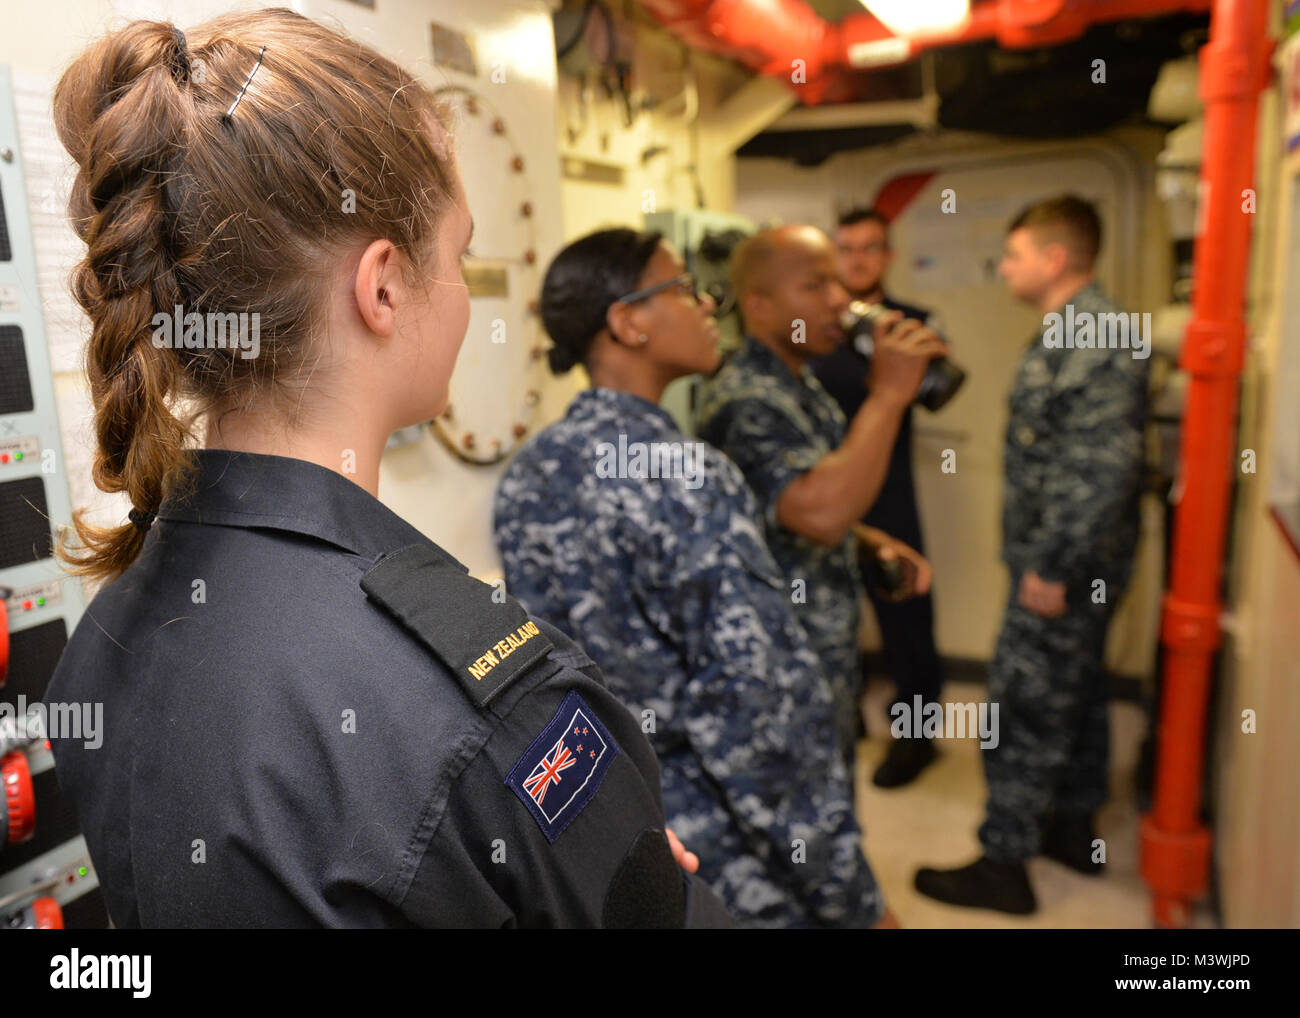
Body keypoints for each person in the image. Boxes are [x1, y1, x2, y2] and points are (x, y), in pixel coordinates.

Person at [40, 10, 730, 929]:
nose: (468, 289)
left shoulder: (104, 638)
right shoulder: (498, 714)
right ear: (383, 286)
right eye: (462, 254)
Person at [493, 227, 897, 928]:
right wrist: (852, 896)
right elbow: (760, 711)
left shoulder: (530, 474)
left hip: (617, 826)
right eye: (682, 289)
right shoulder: (690, 476)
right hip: (727, 847)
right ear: (627, 322)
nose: (709, 304)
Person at [914, 195, 1148, 915]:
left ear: (1053, 258)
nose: (1005, 268)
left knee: (1021, 707)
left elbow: (1101, 469)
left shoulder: (1094, 334)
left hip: (1064, 567)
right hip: (1075, 563)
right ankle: (1072, 829)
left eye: (1013, 255)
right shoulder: (1081, 329)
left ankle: (1004, 863)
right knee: (1073, 699)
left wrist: (1053, 565)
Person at [695, 225, 947, 775]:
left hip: (820, 652)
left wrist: (870, 544)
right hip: (775, 667)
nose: (839, 300)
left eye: (838, 283)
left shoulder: (798, 384)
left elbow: (783, 507)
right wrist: (889, 395)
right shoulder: (746, 397)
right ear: (758, 306)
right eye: (816, 286)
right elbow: (820, 512)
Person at [810, 207, 946, 789]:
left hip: (887, 491)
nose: (858, 259)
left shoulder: (908, 324)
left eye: (870, 248)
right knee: (821, 612)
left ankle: (916, 739)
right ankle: (844, 721)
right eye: (847, 248)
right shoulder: (816, 326)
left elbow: (940, 389)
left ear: (888, 256)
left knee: (905, 617)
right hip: (821, 493)